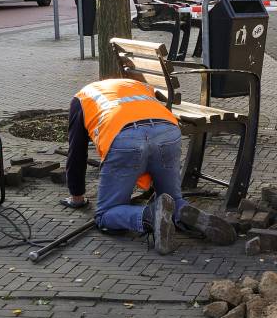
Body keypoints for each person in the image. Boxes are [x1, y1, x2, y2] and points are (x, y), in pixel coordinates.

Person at [62, 78, 236, 255]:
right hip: (168, 131)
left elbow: (76, 152)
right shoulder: (137, 86)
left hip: (126, 137)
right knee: (171, 199)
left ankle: (149, 216)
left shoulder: (81, 98)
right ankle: (181, 210)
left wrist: (77, 196)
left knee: (105, 214)